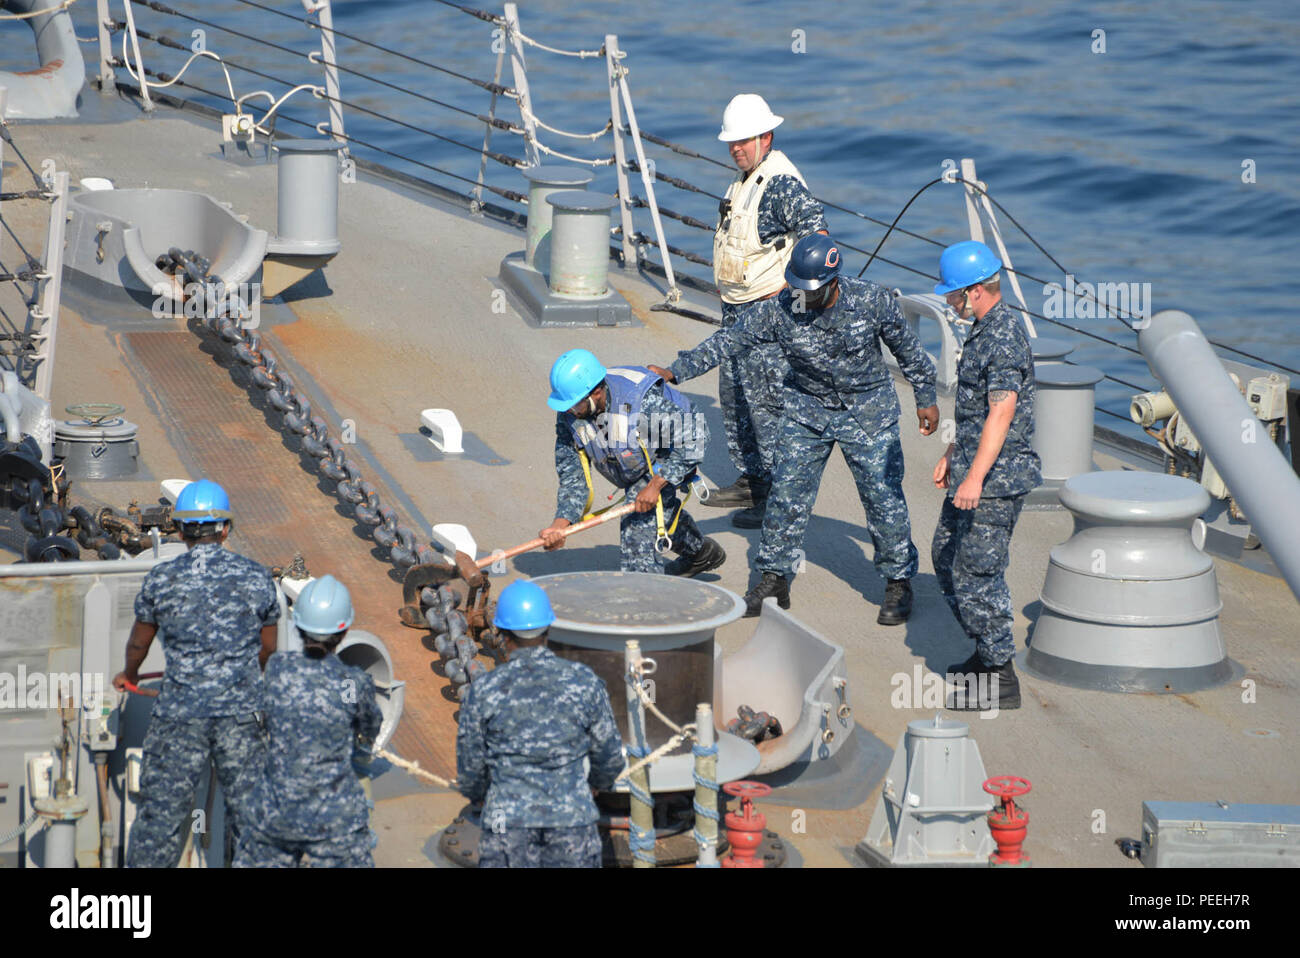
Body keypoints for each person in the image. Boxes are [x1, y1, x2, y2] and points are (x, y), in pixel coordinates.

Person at [653, 234, 939, 621]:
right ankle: (774, 580)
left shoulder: (874, 301)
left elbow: (909, 351)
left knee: (882, 500)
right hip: (807, 411)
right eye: (797, 286)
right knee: (786, 496)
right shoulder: (780, 309)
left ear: (833, 280)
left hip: (867, 412)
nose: (802, 295)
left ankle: (898, 581)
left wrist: (926, 397)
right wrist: (676, 370)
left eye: (812, 289)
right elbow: (729, 341)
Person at [114, 479, 278, 867]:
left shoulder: (161, 578)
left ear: (182, 529)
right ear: (225, 528)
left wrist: (129, 676)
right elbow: (268, 647)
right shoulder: (257, 577)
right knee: (250, 816)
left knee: (161, 817)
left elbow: (140, 642)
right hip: (240, 715)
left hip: (180, 715)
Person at [708, 93, 830, 528]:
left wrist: (794, 290)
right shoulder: (745, 178)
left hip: (765, 312)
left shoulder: (779, 182)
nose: (736, 148)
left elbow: (816, 233)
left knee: (767, 407)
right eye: (731, 142)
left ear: (766, 136)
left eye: (744, 140)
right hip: (735, 310)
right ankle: (752, 482)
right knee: (736, 398)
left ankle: (780, 501)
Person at [930, 241, 1041, 711]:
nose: (952, 303)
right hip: (973, 468)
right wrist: (953, 454)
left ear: (976, 291)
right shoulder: (983, 329)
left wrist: (973, 477)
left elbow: (1002, 410)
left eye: (955, 295)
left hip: (996, 480)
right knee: (945, 555)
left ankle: (1001, 676)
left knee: (977, 572)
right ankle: (984, 650)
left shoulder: (1002, 336)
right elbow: (977, 412)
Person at [456, 579, 625, 868]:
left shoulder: (486, 689)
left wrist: (480, 795)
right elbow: (609, 756)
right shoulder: (583, 681)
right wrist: (596, 784)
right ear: (548, 630)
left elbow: (470, 766)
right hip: (572, 823)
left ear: (502, 635)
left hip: (506, 826)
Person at [235, 575, 382, 867]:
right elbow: (370, 726)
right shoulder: (353, 682)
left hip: (276, 809)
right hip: (333, 815)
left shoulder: (276, 669)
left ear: (298, 627)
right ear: (344, 631)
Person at [539, 349, 725, 577]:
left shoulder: (640, 402)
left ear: (597, 391)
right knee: (657, 512)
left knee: (637, 529)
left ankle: (645, 603)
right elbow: (572, 474)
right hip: (630, 460)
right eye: (567, 407)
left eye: (575, 406)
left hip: (669, 453)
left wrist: (656, 484)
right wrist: (561, 524)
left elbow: (696, 435)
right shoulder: (571, 411)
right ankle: (700, 552)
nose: (570, 413)